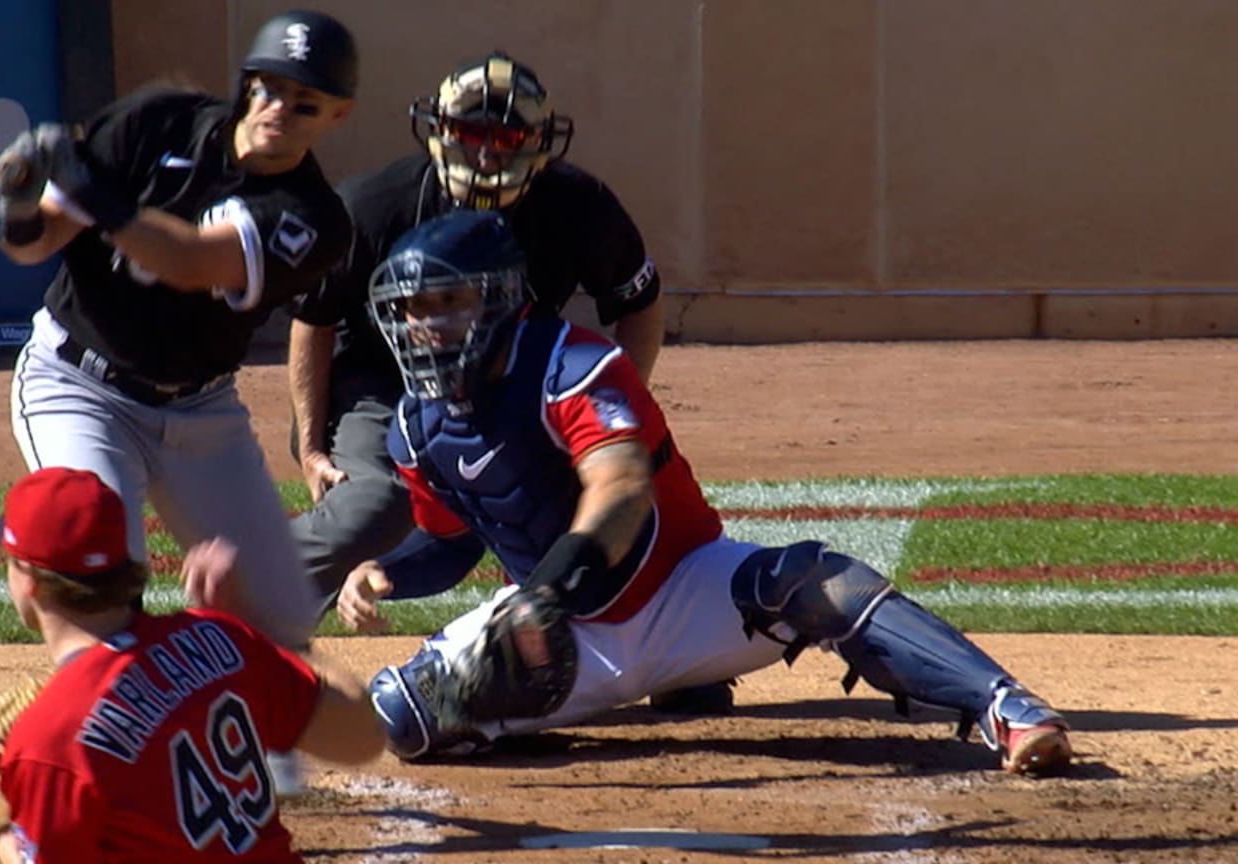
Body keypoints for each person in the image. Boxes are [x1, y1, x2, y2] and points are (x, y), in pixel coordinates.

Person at [336, 209, 1074, 777]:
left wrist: (548, 592)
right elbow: (455, 535)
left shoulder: (574, 362)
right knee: (401, 717)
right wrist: (390, 571)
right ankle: (596, 704)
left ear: (497, 296)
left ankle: (1005, 706)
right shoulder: (416, 427)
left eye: (445, 300)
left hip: (682, 589)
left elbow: (622, 487)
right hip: (561, 641)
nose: (424, 324)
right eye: (409, 309)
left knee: (816, 579)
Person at [281, 50, 723, 711]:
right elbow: (312, 323)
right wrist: (314, 447)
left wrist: (613, 414)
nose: (487, 153)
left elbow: (639, 301)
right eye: (470, 134)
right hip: (381, 385)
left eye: (507, 137)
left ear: (539, 143)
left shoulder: (578, 204)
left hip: (504, 386)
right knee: (375, 505)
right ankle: (242, 625)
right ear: (438, 132)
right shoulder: (374, 205)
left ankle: (672, 652)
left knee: (602, 489)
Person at [0, 9, 357, 653]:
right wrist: (20, 206)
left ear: (337, 117)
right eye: (269, 87)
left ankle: (254, 753)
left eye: (305, 102)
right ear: (246, 83)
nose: (278, 108)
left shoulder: (315, 219)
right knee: (98, 579)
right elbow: (36, 241)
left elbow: (189, 262)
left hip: (201, 412)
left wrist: (95, 192)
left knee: (279, 617)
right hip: (78, 386)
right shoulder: (158, 120)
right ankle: (100, 745)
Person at [0, 466, 384, 864]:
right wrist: (251, 629)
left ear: (28, 579)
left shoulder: (49, 741)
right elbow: (362, 737)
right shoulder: (220, 640)